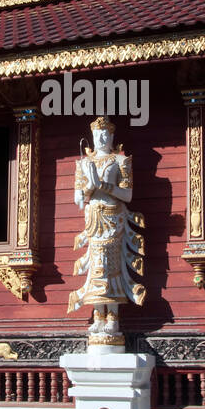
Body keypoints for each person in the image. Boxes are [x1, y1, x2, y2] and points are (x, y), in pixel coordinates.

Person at [69, 117, 145, 343]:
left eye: (105, 134)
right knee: (96, 266)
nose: (101, 138)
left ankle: (113, 316)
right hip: (94, 219)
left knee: (112, 266)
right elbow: (78, 200)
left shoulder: (121, 161)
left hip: (114, 219)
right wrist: (88, 189)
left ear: (112, 137)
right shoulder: (84, 163)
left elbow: (127, 195)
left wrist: (101, 185)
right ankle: (97, 315)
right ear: (92, 137)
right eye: (97, 134)